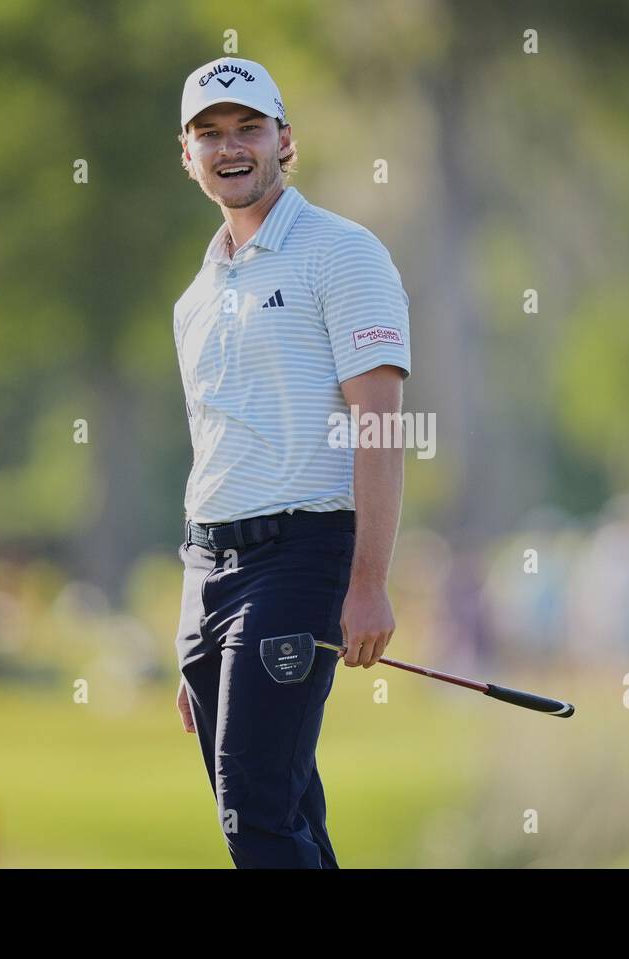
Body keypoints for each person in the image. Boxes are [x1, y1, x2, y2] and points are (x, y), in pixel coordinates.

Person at [171, 56, 412, 867]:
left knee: (257, 817)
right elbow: (213, 453)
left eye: (248, 129)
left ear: (285, 141)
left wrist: (369, 580)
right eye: (210, 134)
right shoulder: (196, 297)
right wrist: (191, 629)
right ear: (187, 153)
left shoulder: (341, 252)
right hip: (212, 571)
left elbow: (377, 424)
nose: (230, 147)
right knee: (288, 809)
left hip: (301, 556)